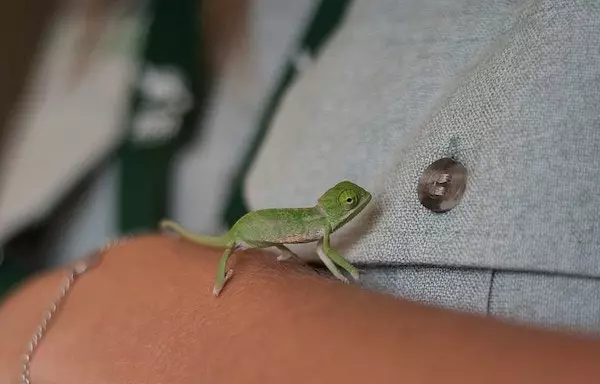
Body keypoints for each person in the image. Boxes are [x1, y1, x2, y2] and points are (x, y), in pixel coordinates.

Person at [2, 0, 600, 382]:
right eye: (348, 206)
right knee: (233, 245)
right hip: (244, 239)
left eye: (349, 206)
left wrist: (170, 320)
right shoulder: (94, 23)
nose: (357, 209)